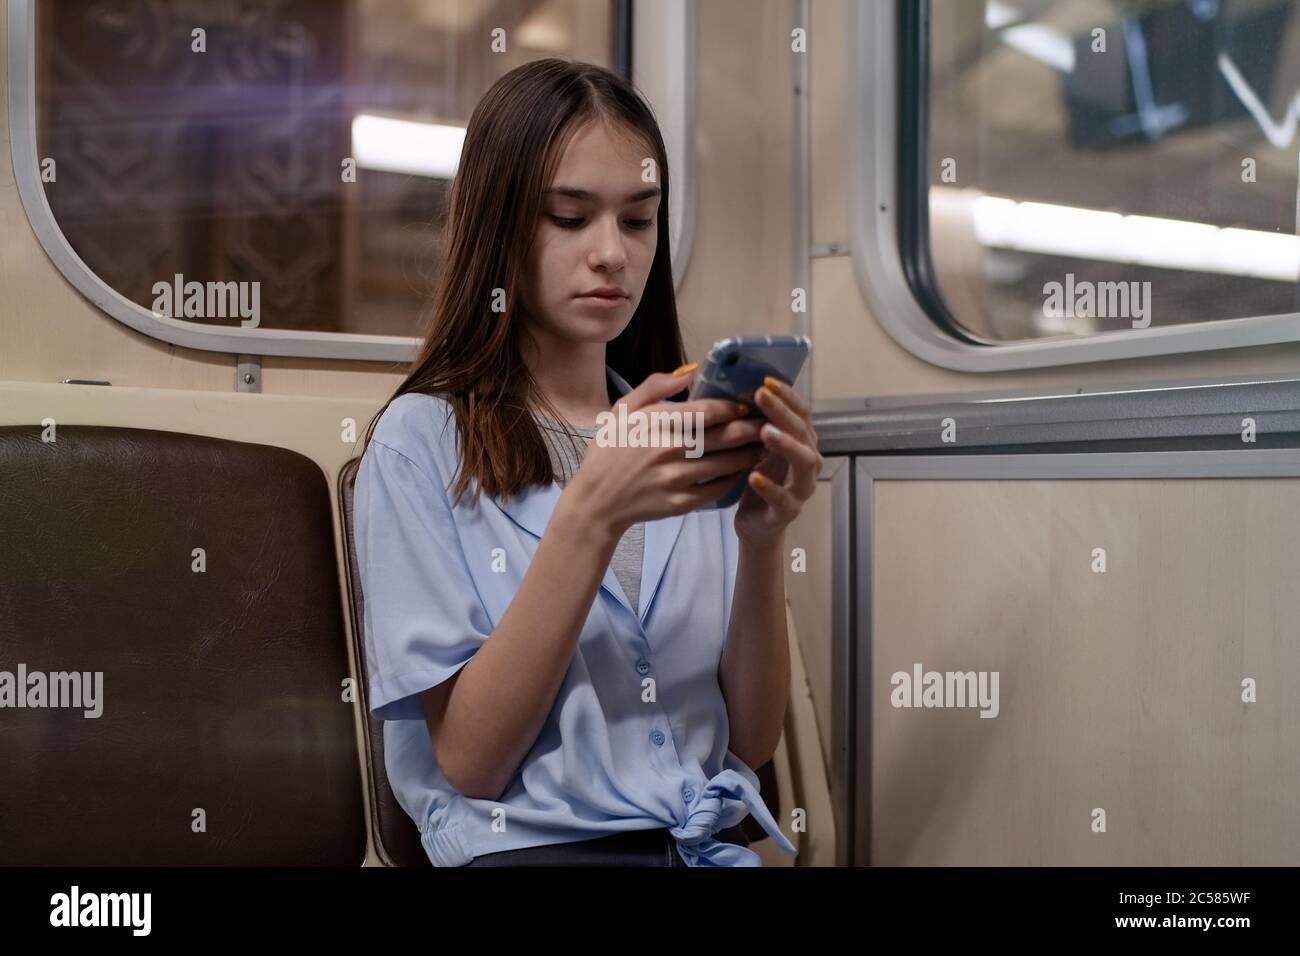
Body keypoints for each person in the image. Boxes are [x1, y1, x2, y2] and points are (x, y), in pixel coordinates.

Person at [353, 57, 821, 867]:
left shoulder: (679, 432)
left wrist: (762, 539)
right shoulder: (419, 445)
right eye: (569, 218)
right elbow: (472, 762)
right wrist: (591, 515)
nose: (612, 253)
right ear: (501, 226)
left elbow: (749, 738)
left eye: (637, 221)